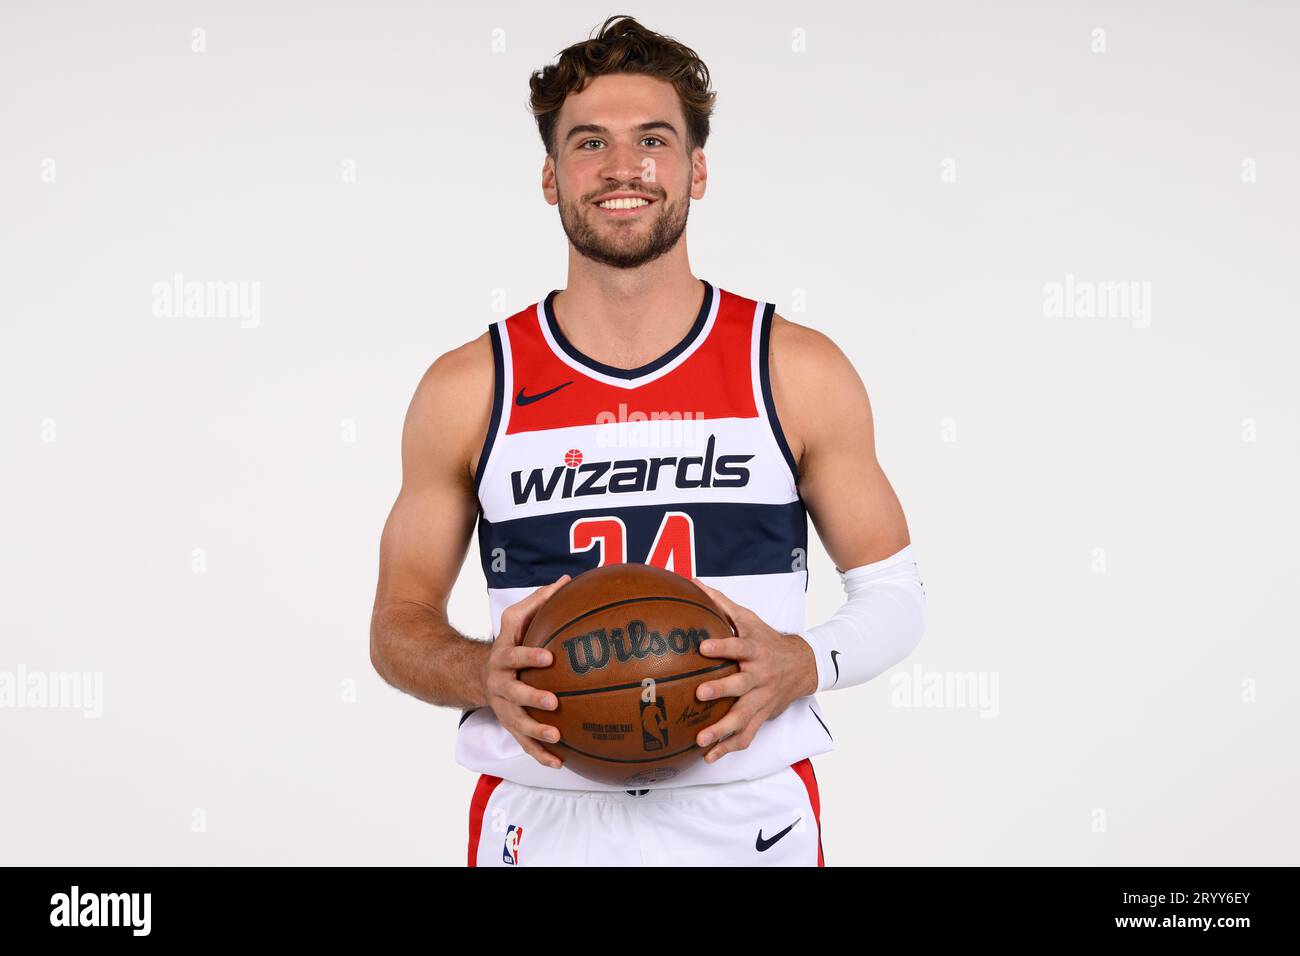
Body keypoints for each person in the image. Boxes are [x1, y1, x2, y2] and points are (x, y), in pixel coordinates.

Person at [369, 15, 926, 866]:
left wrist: (802, 662)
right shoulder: (470, 386)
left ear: (697, 170)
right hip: (543, 817)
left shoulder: (793, 369)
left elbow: (897, 597)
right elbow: (397, 627)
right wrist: (478, 671)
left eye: (653, 140)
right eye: (589, 143)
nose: (623, 169)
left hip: (745, 817)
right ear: (551, 178)